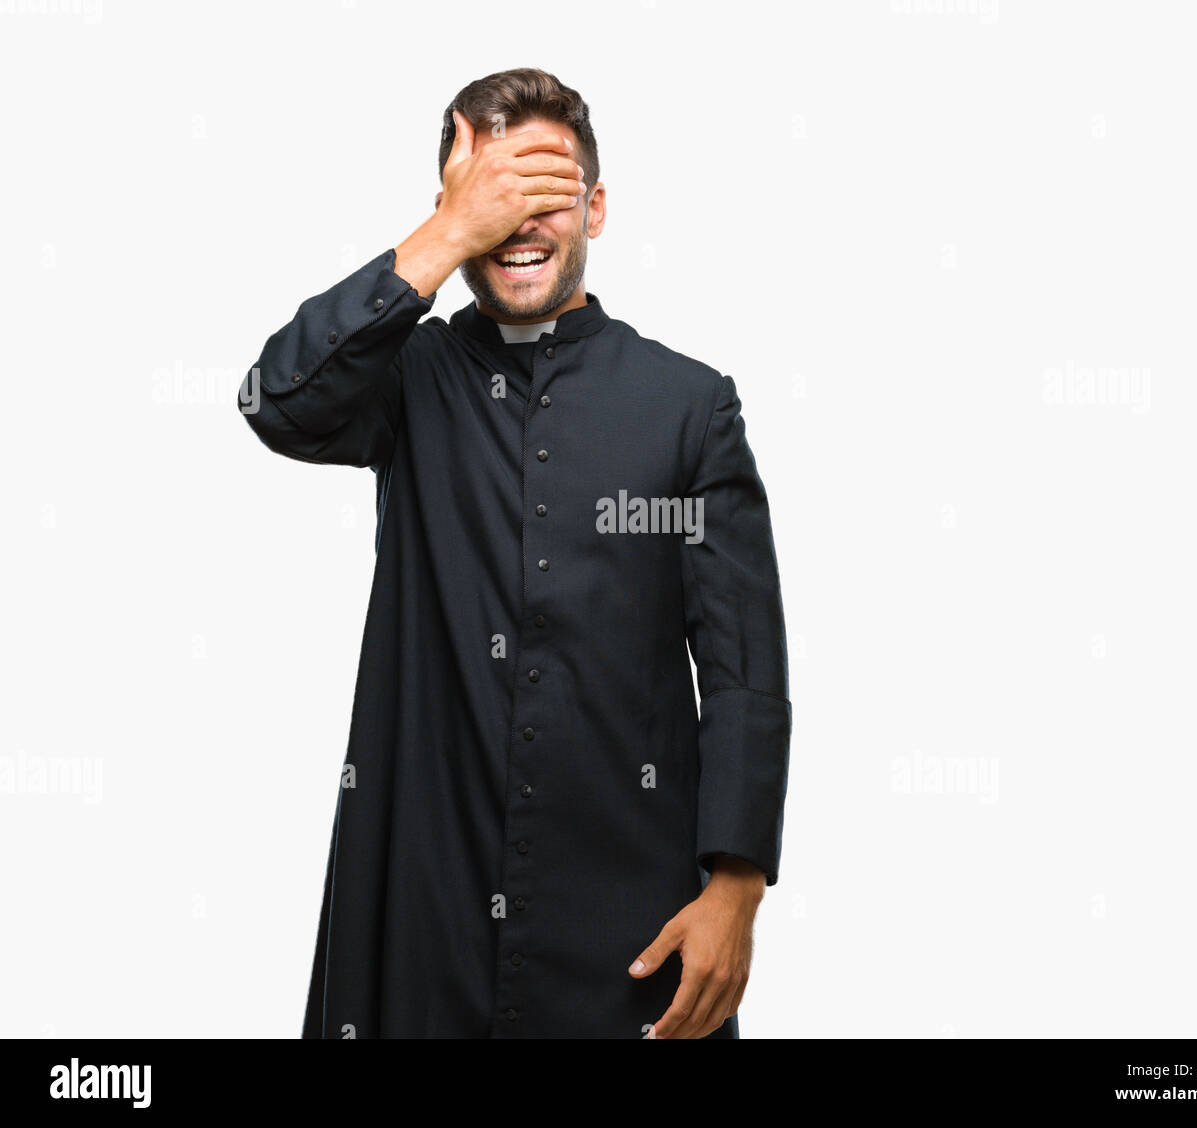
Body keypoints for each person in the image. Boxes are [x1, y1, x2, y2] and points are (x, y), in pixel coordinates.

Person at [238, 68, 791, 1039]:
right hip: (422, 905)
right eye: (497, 197)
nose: (522, 223)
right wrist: (447, 232)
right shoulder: (402, 381)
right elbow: (278, 403)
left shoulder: (689, 406)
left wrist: (735, 886)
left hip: (631, 915)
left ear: (598, 208)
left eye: (547, 194)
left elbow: (743, 667)